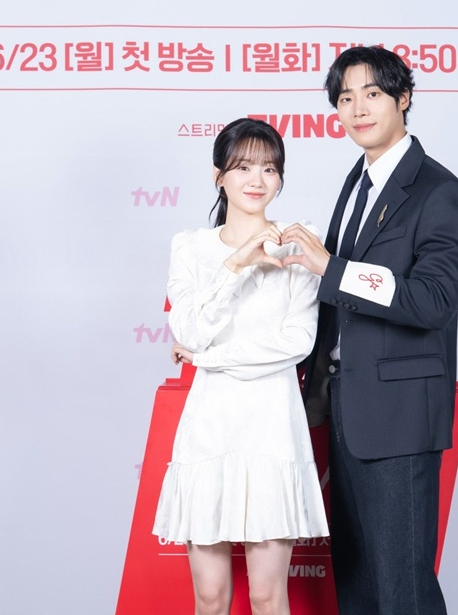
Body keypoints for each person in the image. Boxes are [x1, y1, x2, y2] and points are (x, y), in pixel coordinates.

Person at [282, 46, 458, 615]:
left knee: (402, 590)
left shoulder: (441, 193)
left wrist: (332, 268)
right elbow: (335, 299)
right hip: (346, 407)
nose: (358, 109)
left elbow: (433, 300)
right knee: (359, 585)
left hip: (398, 418)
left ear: (404, 98)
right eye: (345, 98)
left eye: (372, 94)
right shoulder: (357, 183)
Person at [153, 118, 329, 615]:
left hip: (272, 431)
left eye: (270, 169)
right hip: (209, 433)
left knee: (268, 597)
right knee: (209, 598)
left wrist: (210, 358)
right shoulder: (190, 247)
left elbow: (295, 342)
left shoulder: (300, 243)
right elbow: (190, 331)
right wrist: (238, 265)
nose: (258, 179)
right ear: (219, 176)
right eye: (244, 166)